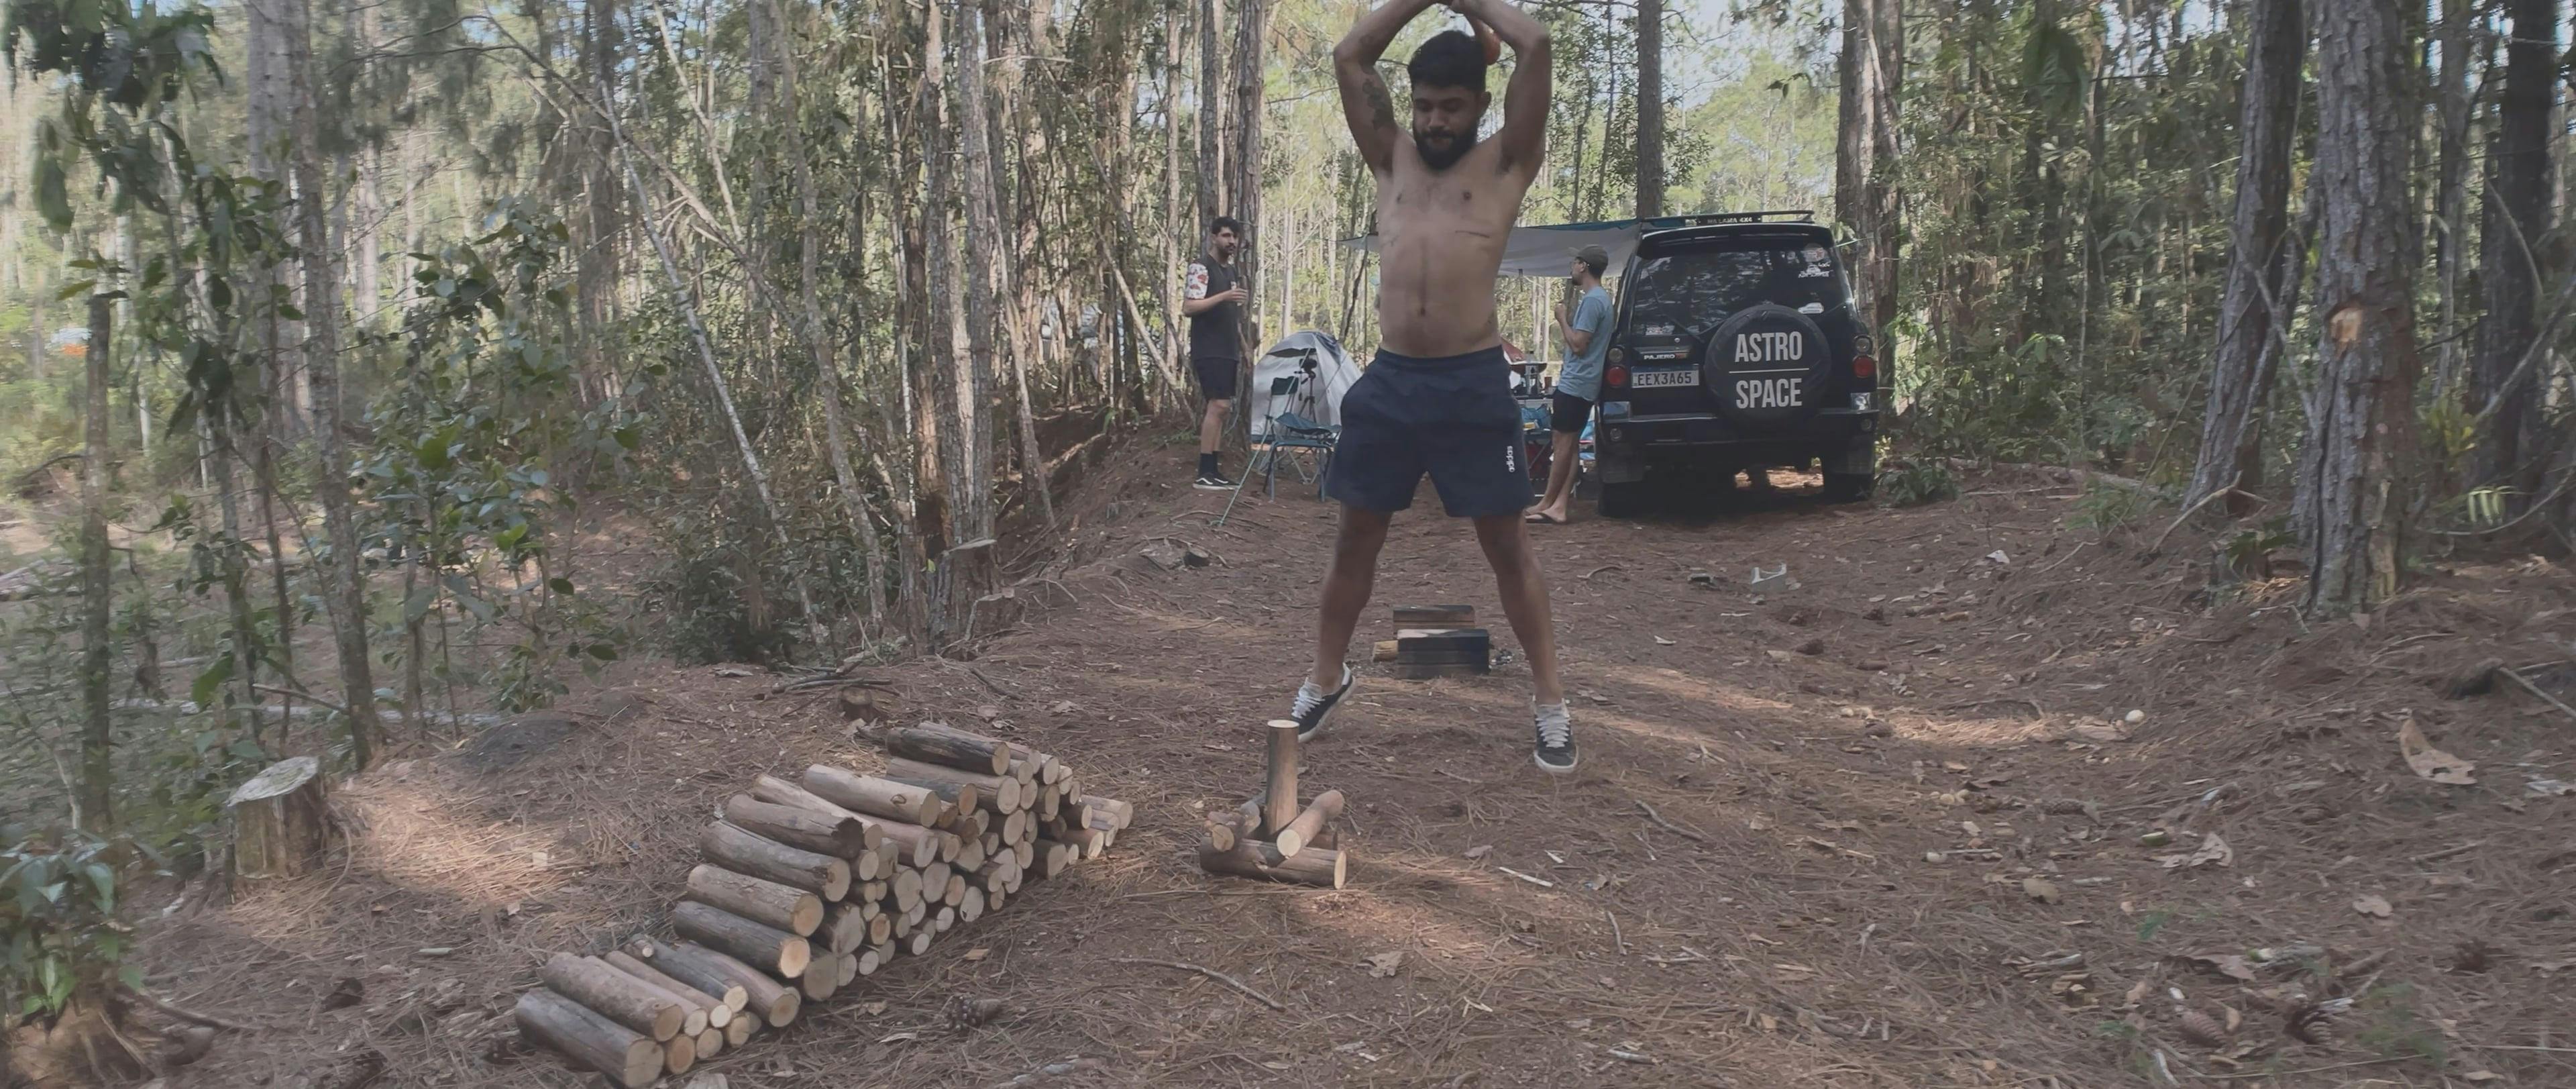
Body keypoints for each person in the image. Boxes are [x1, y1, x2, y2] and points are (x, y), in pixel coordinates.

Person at [1290, 0, 1579, 773]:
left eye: (1451, 108)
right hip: (1390, 381)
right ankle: (1326, 676)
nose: (1434, 121)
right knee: (1356, 536)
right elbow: (1351, 57)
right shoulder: (1390, 158)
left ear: (1483, 105)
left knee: (1506, 546)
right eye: (1423, 105)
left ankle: (1550, 703)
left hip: (1471, 381)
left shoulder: (1508, 162)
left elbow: (1538, 42)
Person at [1526, 244, 1613, 525]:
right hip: (1584, 384)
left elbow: (1578, 345)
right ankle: (1559, 505)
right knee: (1571, 444)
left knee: (1562, 445)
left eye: (1575, 263)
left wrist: (1562, 319)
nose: (1572, 268)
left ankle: (1547, 502)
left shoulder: (1593, 301)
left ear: (1583, 266)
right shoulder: (1602, 299)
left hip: (1576, 384)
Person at [1181, 217, 1249, 490]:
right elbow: (1189, 307)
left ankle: (1213, 469)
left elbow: (1230, 315)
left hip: (1228, 348)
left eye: (1234, 237)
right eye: (1226, 236)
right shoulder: (1201, 268)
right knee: (1218, 405)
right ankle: (1204, 472)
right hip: (1208, 347)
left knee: (1224, 408)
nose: (1231, 241)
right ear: (1213, 237)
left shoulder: (1230, 272)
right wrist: (1223, 296)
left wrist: (1244, 345)